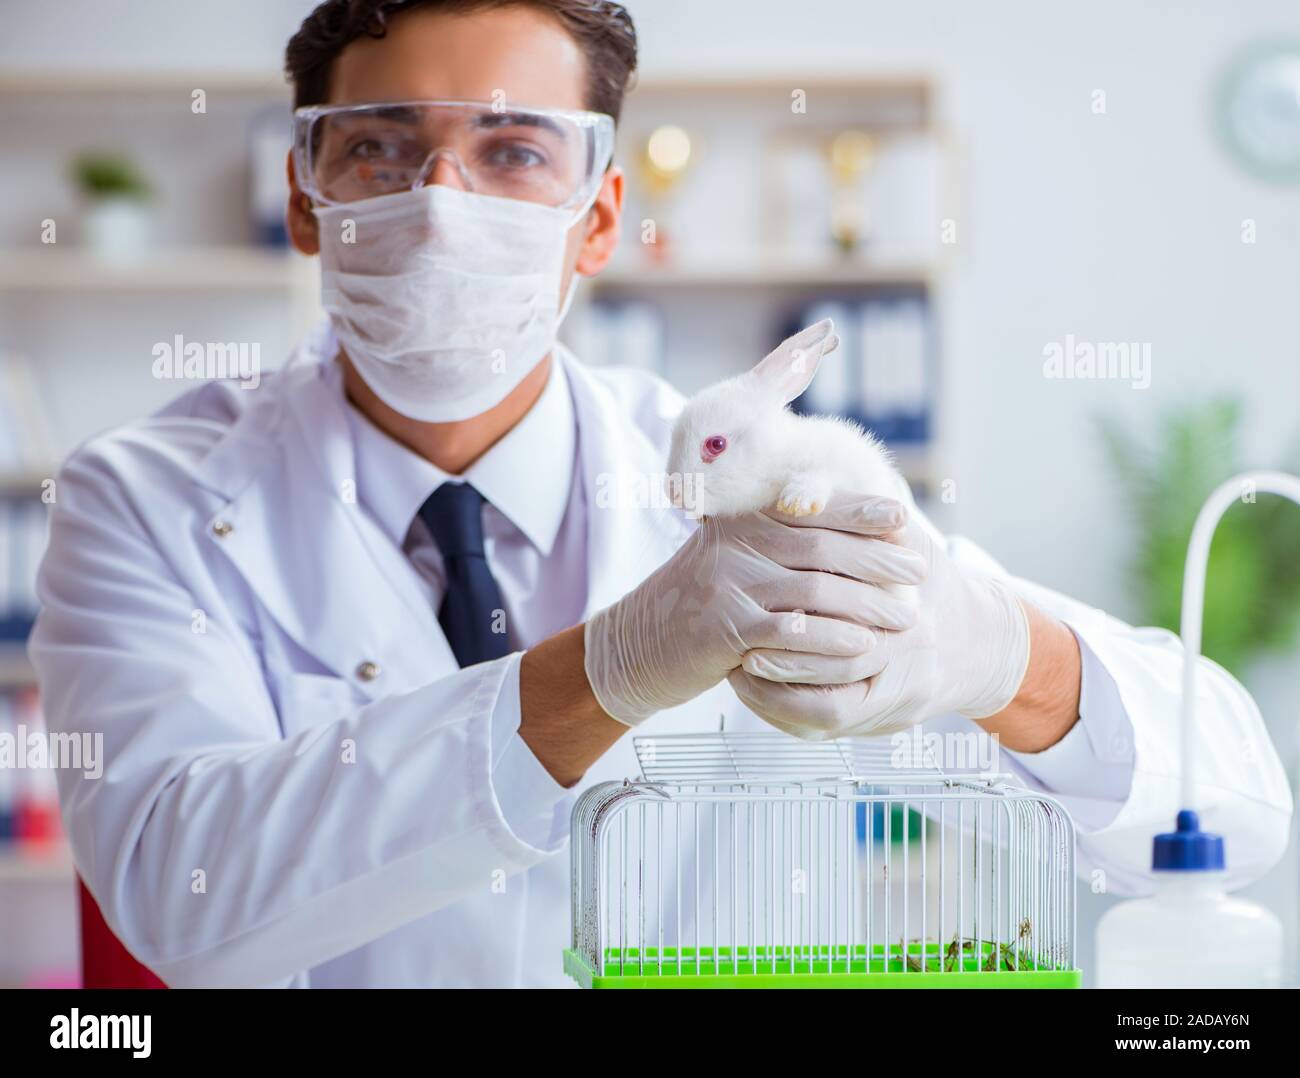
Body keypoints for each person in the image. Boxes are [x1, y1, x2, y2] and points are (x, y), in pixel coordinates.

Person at [30, 0, 1291, 988]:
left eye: (513, 149)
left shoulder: (752, 480)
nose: (440, 204)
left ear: (599, 218)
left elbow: (1233, 814)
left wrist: (1008, 662)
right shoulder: (144, 499)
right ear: (305, 202)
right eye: (378, 149)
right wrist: (611, 667)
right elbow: (177, 890)